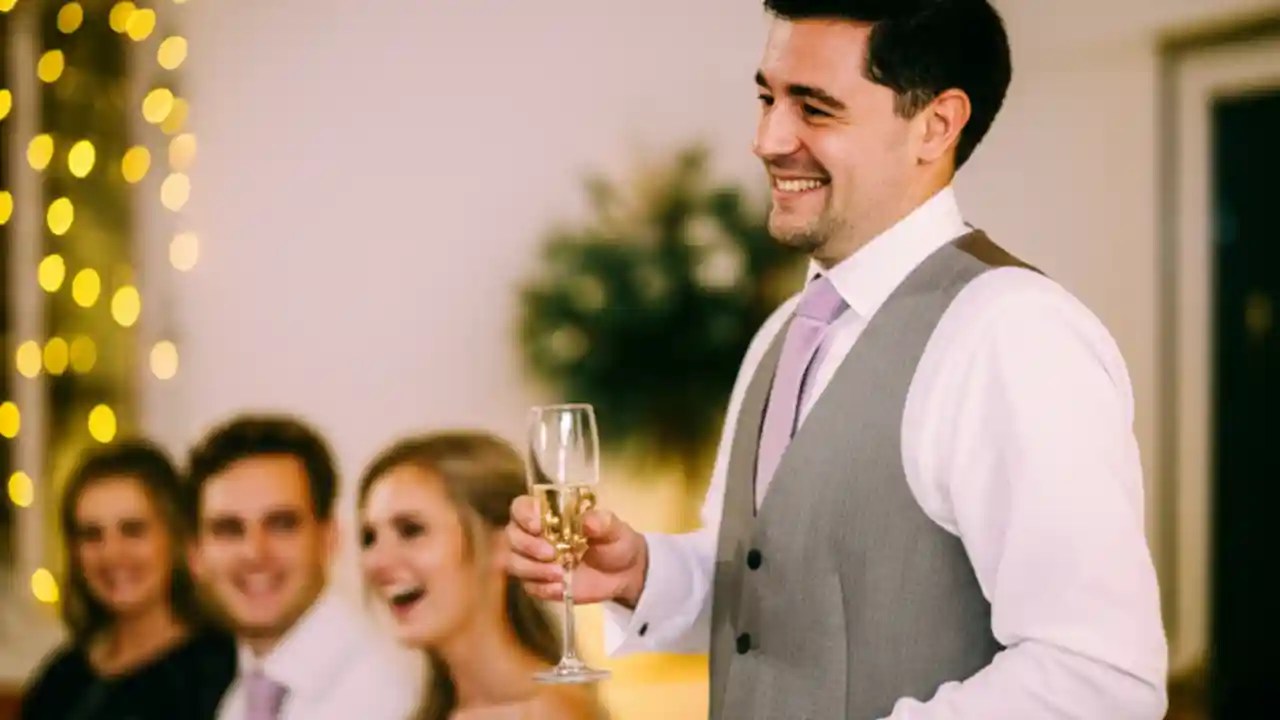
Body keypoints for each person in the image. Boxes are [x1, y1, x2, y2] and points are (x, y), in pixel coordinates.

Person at [507, 1, 1169, 718]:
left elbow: (1098, 678)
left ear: (936, 125)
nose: (767, 139)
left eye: (814, 109)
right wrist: (644, 573)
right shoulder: (785, 331)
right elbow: (772, 598)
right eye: (767, 97)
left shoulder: (1012, 333)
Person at [187, 414, 419, 720]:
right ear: (195, 555)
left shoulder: (386, 695)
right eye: (229, 529)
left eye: (281, 524)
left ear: (330, 538)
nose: (254, 552)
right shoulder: (239, 699)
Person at [359, 431, 602, 720]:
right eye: (369, 537)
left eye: (411, 530)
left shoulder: (548, 713)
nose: (376, 561)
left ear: (505, 543)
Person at [20, 440, 237, 720]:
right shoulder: (62, 676)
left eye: (133, 530)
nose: (111, 554)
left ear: (176, 537)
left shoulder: (220, 673)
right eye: (91, 535)